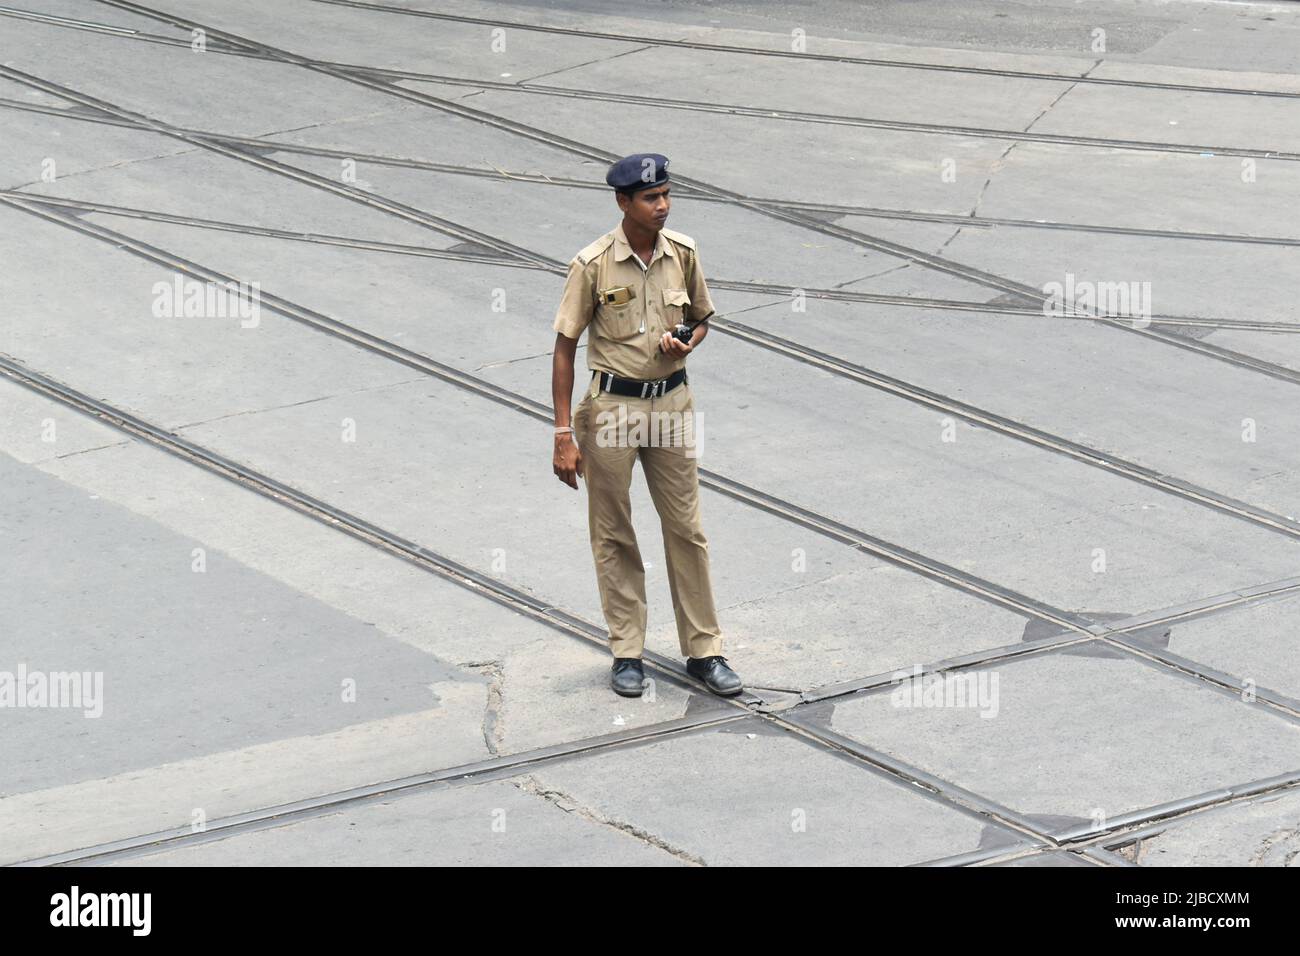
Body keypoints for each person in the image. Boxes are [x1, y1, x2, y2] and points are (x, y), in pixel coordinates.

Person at [550, 152, 743, 699]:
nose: (662, 206)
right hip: (612, 408)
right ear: (623, 202)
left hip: (673, 405)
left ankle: (704, 651)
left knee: (687, 528)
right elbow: (564, 349)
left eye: (666, 196)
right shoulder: (591, 265)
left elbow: (701, 319)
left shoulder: (683, 253)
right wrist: (563, 434)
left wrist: (686, 339)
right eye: (650, 199)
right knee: (614, 532)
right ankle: (627, 653)